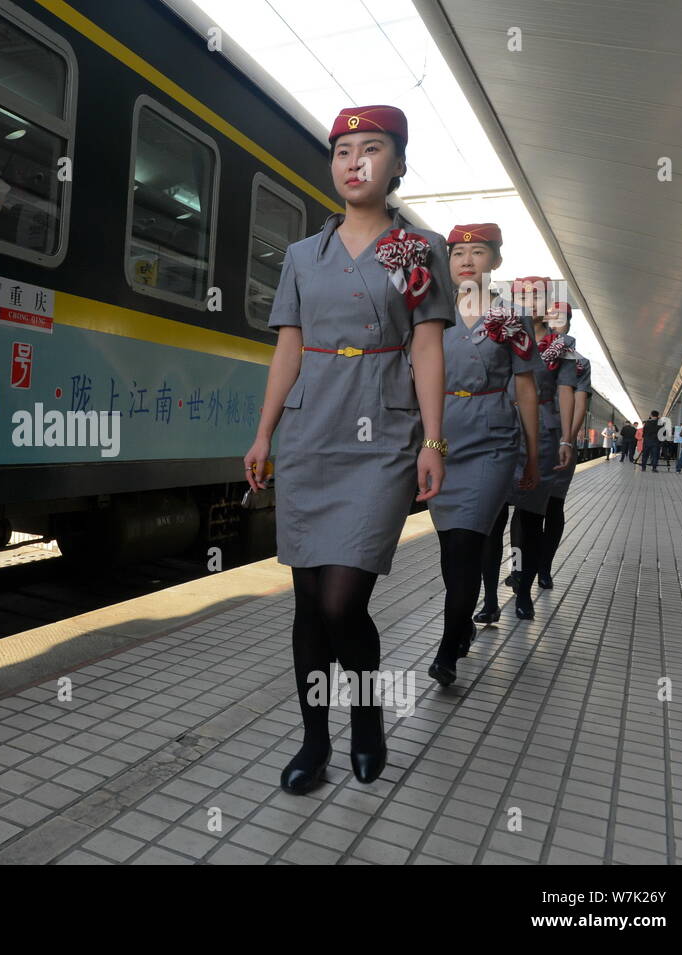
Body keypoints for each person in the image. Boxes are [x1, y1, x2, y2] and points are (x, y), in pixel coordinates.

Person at [244, 105, 452, 794]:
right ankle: (315, 741)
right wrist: (265, 432)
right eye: (342, 151)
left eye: (371, 149)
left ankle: (367, 716)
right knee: (307, 604)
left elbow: (426, 345)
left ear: (397, 164)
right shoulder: (305, 255)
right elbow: (288, 348)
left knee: (341, 600)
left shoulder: (421, 250)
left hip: (384, 432)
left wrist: (432, 438)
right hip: (312, 429)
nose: (353, 161)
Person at [425, 223, 539, 687]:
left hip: (492, 441)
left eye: (478, 251)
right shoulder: (432, 313)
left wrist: (531, 454)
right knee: (450, 547)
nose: (467, 260)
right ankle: (461, 628)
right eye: (458, 253)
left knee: (468, 541)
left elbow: (527, 389)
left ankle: (448, 646)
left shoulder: (512, 320)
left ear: (496, 261)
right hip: (441, 439)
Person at [476, 277, 575, 623]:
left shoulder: (562, 346)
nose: (530, 300)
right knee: (491, 520)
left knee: (530, 522)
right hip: (500, 430)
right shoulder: (497, 327)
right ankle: (488, 599)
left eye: (538, 295)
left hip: (541, 437)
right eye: (522, 294)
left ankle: (522, 591)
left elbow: (566, 390)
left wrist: (565, 438)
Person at [535, 302, 590, 589]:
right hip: (530, 436)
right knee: (526, 509)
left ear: (569, 322)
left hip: (559, 438)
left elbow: (580, 400)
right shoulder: (530, 351)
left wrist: (568, 435)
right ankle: (523, 567)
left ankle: (545, 567)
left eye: (562, 318)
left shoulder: (578, 361)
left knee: (554, 505)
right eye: (551, 316)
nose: (556, 322)